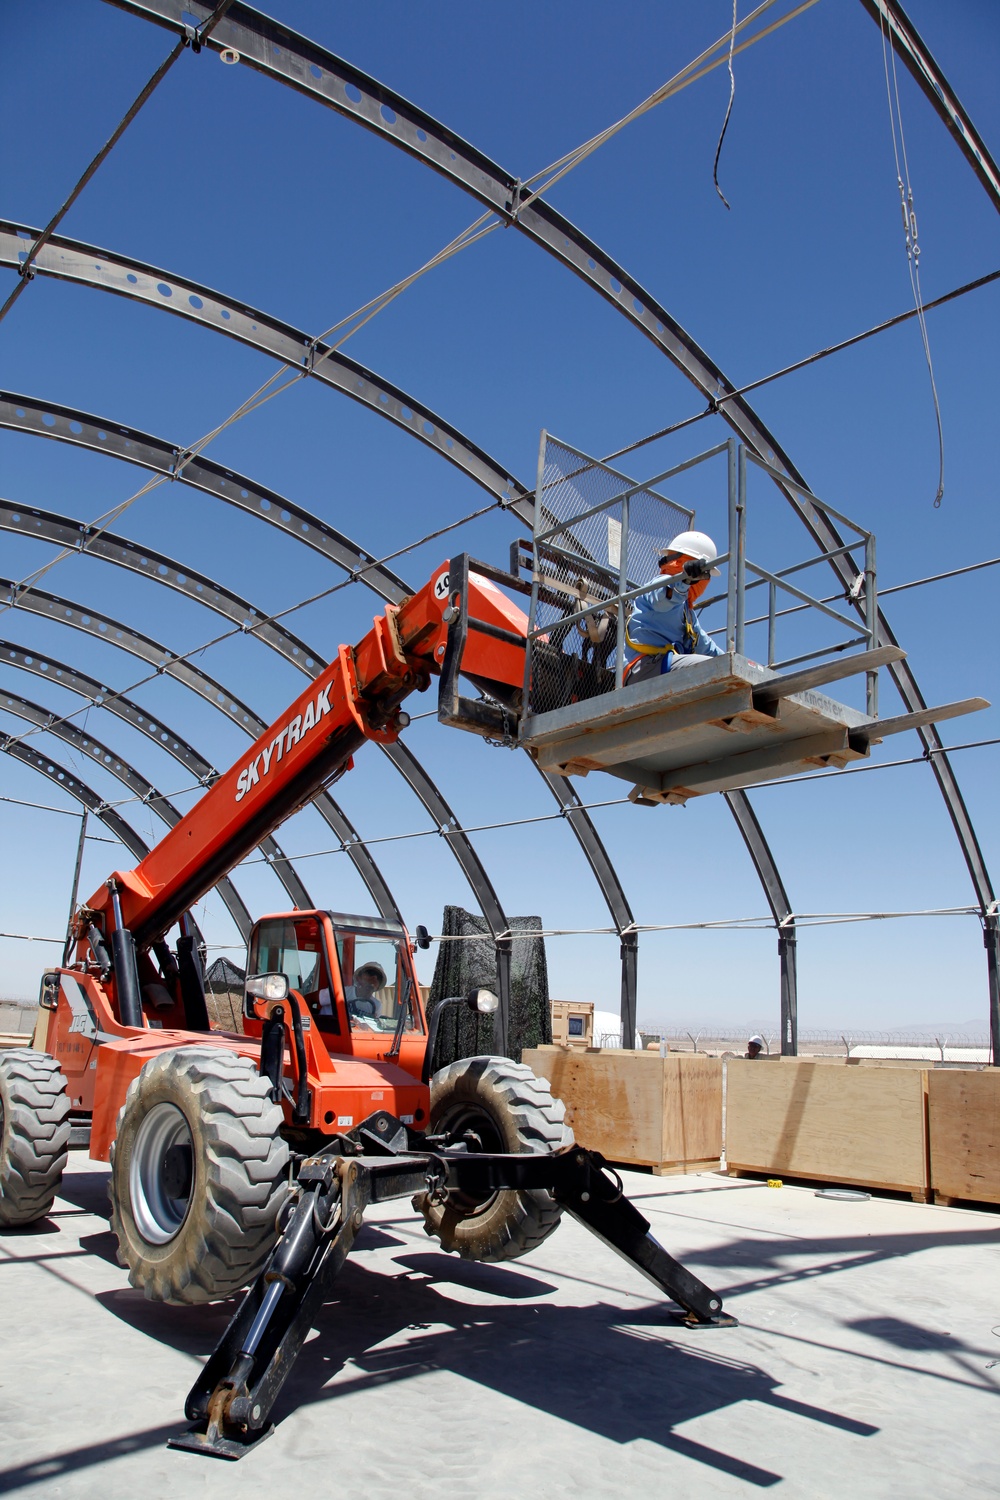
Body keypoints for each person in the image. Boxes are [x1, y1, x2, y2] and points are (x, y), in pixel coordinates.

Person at [625, 530, 723, 682]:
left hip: (665, 667)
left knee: (721, 666)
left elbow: (706, 647)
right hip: (645, 667)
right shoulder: (659, 584)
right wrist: (684, 582)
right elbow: (664, 598)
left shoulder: (688, 615)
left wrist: (736, 661)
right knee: (710, 668)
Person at [344, 961, 387, 1025]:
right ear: (358, 978)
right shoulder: (342, 992)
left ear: (378, 986)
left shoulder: (377, 1005)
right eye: (370, 973)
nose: (374, 978)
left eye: (379, 977)